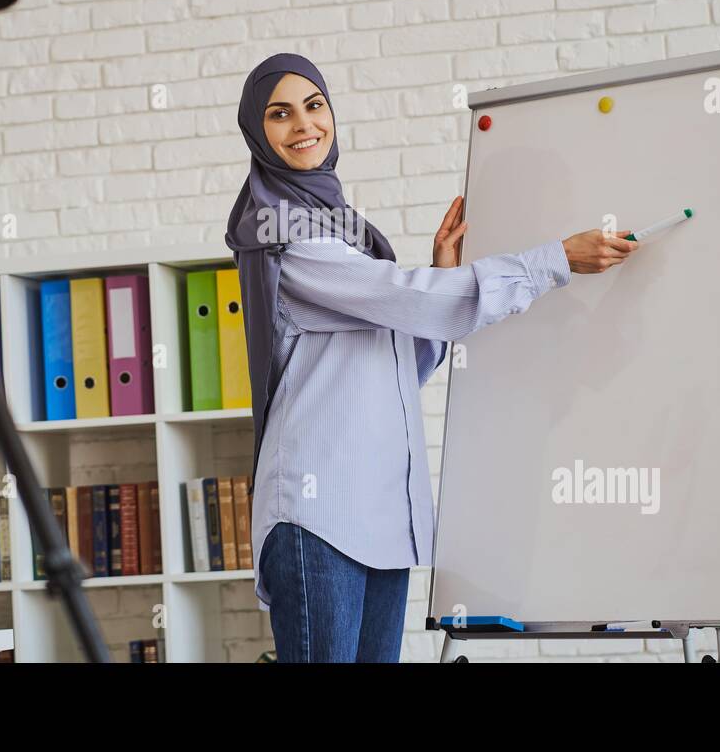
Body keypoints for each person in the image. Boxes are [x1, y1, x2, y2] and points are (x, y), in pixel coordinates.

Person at [224, 53, 637, 662]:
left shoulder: (342, 229)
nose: (303, 125)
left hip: (382, 514)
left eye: (314, 106)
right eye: (279, 114)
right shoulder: (285, 237)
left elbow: (399, 366)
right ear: (258, 133)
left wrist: (443, 274)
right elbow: (405, 297)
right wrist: (555, 259)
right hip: (319, 517)